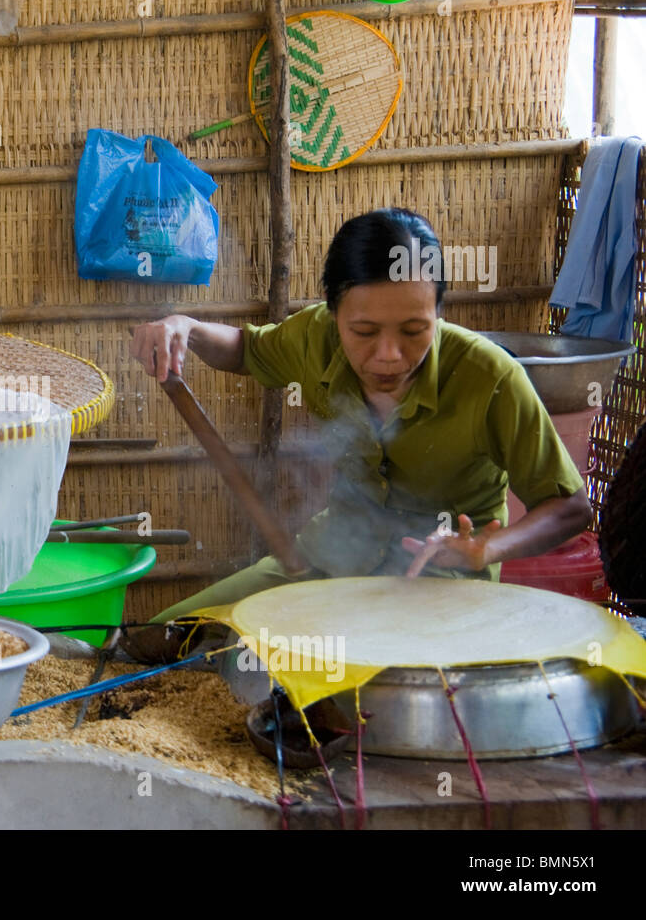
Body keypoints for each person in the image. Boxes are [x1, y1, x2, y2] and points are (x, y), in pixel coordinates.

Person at [130, 208, 592, 624]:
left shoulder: (490, 377)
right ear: (333, 312)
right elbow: (245, 350)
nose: (389, 355)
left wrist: (485, 548)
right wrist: (185, 328)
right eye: (364, 332)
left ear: (439, 313)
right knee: (175, 635)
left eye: (415, 330)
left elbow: (570, 508)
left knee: (368, 691)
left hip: (435, 585)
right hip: (325, 562)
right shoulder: (315, 337)